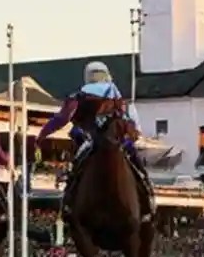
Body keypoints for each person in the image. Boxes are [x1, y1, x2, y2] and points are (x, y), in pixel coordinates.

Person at [37, 60, 154, 218]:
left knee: (77, 167)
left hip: (90, 142)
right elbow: (135, 130)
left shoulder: (79, 96)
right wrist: (127, 141)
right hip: (120, 143)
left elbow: (60, 119)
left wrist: (42, 135)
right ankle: (148, 201)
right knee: (138, 168)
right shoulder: (120, 98)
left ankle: (68, 204)